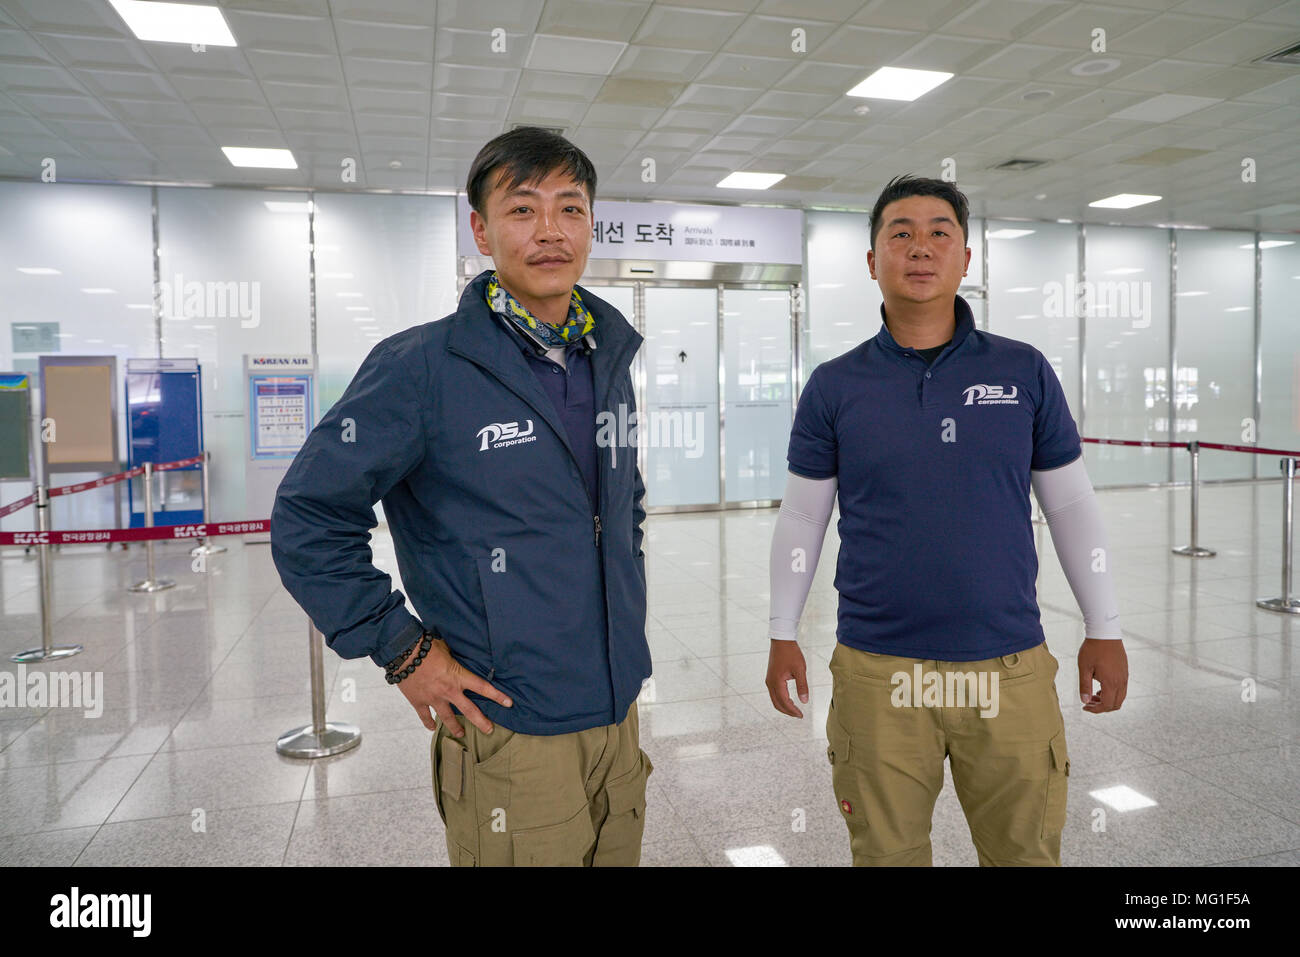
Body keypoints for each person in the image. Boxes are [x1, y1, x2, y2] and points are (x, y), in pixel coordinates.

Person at [270, 126, 653, 867]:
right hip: (509, 728)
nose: (550, 230)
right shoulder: (421, 368)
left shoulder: (607, 358)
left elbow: (621, 501)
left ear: (591, 225)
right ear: (481, 229)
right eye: (522, 208)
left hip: (619, 713)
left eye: (570, 208)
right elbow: (307, 515)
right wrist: (403, 650)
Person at [764, 174, 1129, 866]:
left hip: (1008, 664)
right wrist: (783, 630)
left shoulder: (1022, 370)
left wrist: (1104, 628)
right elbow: (805, 515)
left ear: (967, 258)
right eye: (900, 232)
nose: (920, 247)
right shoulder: (835, 385)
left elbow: (1072, 505)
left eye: (940, 232)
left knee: (1024, 852)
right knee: (887, 854)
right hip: (877, 669)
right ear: (873, 260)